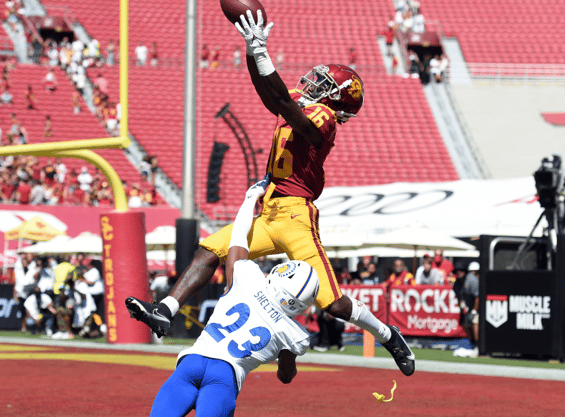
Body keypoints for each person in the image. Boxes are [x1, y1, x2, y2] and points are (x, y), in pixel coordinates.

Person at [125, 10, 414, 377]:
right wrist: (251, 49)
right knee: (210, 249)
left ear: (336, 99)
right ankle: (164, 311)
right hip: (270, 210)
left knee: (334, 304)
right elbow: (269, 93)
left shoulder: (324, 119)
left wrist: (262, 54)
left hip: (296, 217)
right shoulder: (304, 103)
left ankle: (389, 336)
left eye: (323, 83)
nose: (312, 83)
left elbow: (283, 102)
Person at [128, 176, 319, 416]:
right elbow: (285, 376)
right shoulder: (294, 335)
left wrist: (251, 198)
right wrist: (283, 354)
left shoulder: (247, 277)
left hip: (191, 362)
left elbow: (238, 237)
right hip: (224, 377)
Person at [453, 262, 480, 358]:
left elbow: (478, 296)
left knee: (475, 322)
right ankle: (472, 344)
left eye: (461, 271)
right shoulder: (457, 282)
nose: (459, 272)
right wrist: (462, 305)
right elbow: (458, 295)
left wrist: (475, 310)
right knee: (465, 324)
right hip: (467, 306)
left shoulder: (472, 280)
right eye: (457, 271)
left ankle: (477, 346)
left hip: (477, 307)